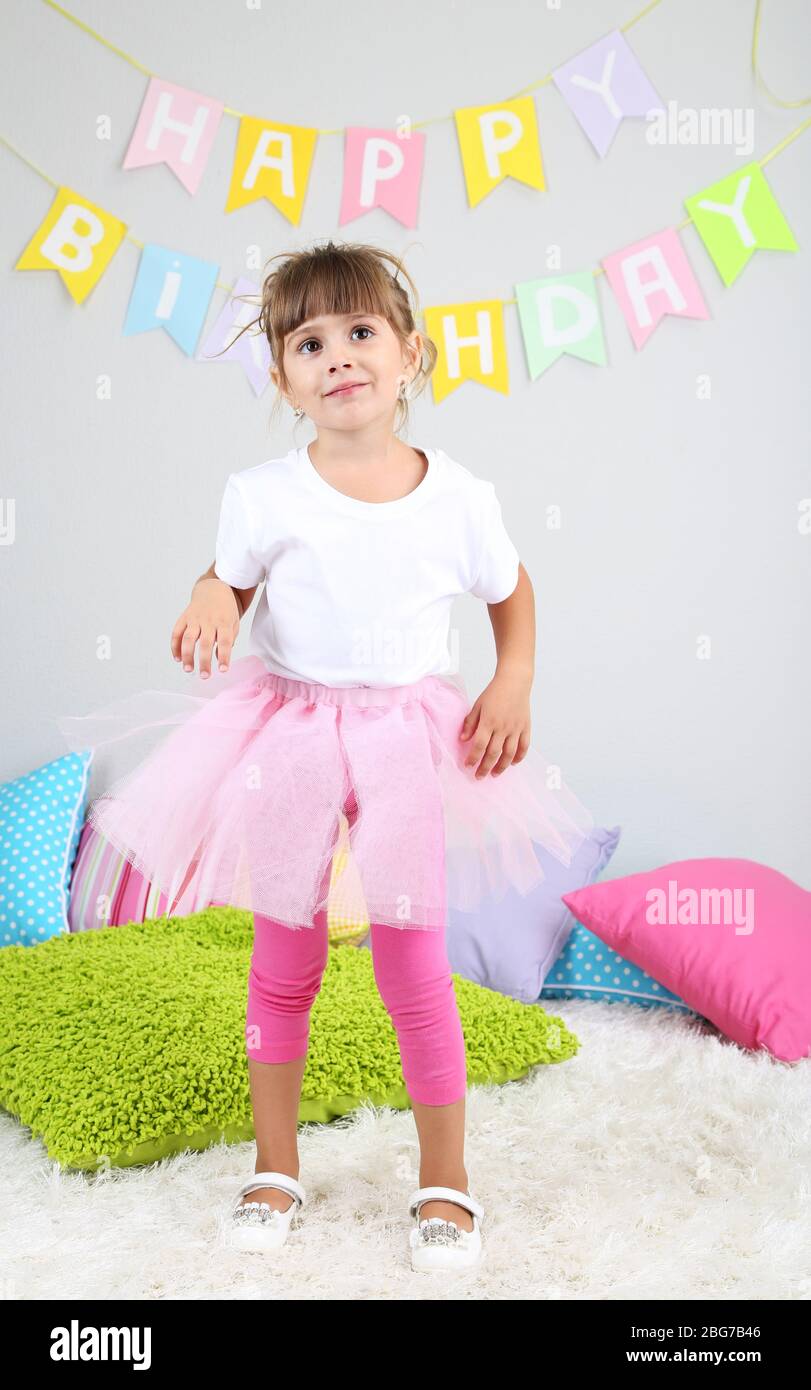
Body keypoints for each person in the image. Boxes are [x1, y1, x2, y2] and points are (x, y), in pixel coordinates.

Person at [57, 240, 594, 1271]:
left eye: (360, 333)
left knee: (411, 963)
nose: (338, 356)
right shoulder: (262, 492)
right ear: (282, 376)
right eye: (310, 341)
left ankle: (445, 1178)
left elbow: (510, 590)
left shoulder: (457, 495)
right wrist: (215, 588)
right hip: (288, 733)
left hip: (404, 735)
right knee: (284, 956)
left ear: (412, 356)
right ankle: (274, 1163)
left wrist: (512, 677)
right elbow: (234, 577)